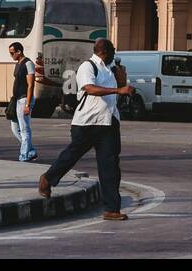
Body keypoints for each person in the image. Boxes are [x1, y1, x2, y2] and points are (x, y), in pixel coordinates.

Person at [38, 38, 132, 220]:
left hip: (108, 122)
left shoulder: (110, 70)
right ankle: (47, 179)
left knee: (110, 167)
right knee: (72, 155)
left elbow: (116, 94)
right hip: (87, 123)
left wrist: (122, 82)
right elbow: (89, 88)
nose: (114, 55)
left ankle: (112, 209)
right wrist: (117, 91)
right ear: (104, 51)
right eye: (112, 51)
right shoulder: (88, 67)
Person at [8, 42, 37, 162]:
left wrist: (27, 104)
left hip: (24, 99)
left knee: (24, 129)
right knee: (15, 129)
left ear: (19, 51)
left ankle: (24, 156)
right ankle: (30, 151)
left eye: (12, 53)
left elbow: (31, 85)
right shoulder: (18, 64)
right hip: (17, 100)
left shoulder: (28, 63)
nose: (11, 55)